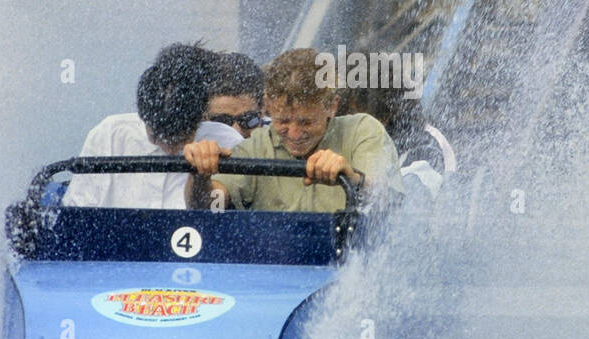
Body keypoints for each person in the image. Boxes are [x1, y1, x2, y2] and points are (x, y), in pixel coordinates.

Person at [183, 48, 403, 212]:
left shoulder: (362, 131)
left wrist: (352, 178)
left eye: (306, 122)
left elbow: (389, 203)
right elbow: (209, 207)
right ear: (268, 107)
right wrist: (200, 175)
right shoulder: (256, 147)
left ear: (332, 106)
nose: (295, 134)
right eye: (283, 121)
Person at [63, 43, 247, 209]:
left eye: (178, 138)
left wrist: (202, 176)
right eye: (157, 136)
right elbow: (77, 214)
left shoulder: (228, 143)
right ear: (144, 117)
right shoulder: (109, 134)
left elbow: (219, 220)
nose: (167, 146)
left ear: (202, 117)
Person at [342, 82, 456, 201]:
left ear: (384, 118)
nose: (349, 130)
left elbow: (410, 201)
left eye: (357, 120)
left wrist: (356, 179)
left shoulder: (424, 145)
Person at [202, 51, 264, 139]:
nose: (236, 133)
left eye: (248, 120)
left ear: (263, 111)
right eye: (222, 122)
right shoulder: (185, 147)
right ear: (203, 118)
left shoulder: (284, 140)